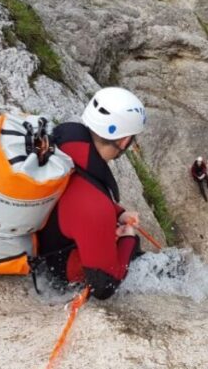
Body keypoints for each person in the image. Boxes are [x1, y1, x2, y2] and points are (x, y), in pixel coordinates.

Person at [37, 87, 147, 300]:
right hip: (58, 267)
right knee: (133, 254)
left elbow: (76, 189)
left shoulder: (64, 141)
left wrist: (118, 213)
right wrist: (129, 241)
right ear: (124, 141)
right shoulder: (95, 207)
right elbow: (103, 286)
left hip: (48, 233)